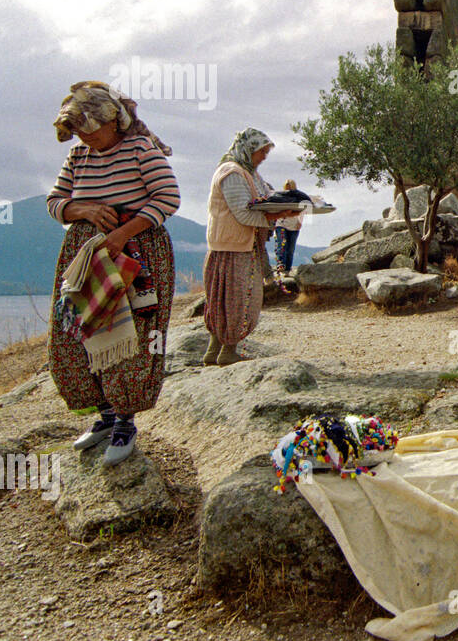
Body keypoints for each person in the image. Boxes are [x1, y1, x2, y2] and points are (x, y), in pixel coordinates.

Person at [47, 81, 180, 466]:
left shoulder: (140, 149)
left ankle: (126, 421)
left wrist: (121, 234)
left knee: (132, 337)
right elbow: (55, 202)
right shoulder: (78, 156)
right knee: (79, 331)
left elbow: (168, 197)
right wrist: (83, 211)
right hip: (85, 255)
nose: (86, 137)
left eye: (91, 128)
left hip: (137, 251)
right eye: (79, 131)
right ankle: (104, 415)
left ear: (113, 119)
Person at [202, 129, 301, 365]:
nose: (264, 156)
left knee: (224, 298)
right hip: (233, 246)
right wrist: (276, 216)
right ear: (248, 148)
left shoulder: (248, 173)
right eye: (262, 151)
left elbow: (265, 197)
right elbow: (242, 213)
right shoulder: (232, 173)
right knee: (237, 297)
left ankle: (215, 350)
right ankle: (227, 351)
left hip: (240, 244)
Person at [272, 179, 303, 275]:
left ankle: (287, 269)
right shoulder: (280, 196)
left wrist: (300, 222)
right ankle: (281, 264)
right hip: (281, 223)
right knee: (281, 244)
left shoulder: (299, 197)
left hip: (294, 226)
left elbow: (304, 210)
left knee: (290, 249)